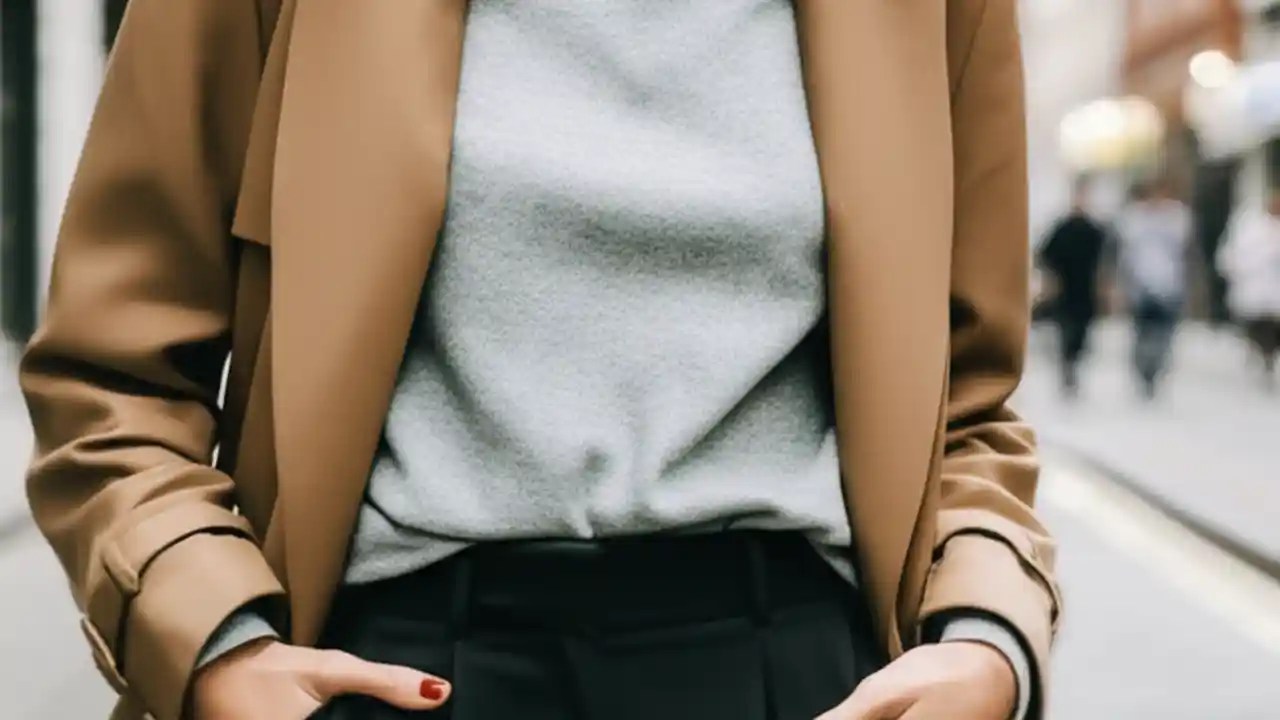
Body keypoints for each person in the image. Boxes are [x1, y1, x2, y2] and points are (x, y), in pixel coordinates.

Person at [20, 2, 1061, 719]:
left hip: (796, 672)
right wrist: (219, 644)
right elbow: (114, 377)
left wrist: (987, 637)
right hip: (398, 660)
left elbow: (966, 409)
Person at [1115, 179, 1193, 399]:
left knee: (1163, 336)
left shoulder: (1178, 218)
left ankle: (1156, 373)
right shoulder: (1133, 219)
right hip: (1140, 287)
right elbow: (1122, 255)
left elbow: (1188, 254)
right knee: (1142, 335)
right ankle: (1143, 372)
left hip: (1170, 286)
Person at [1037, 180, 1107, 398]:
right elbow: (1045, 256)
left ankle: (1073, 366)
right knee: (1066, 331)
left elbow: (1105, 262)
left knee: (1082, 333)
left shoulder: (1095, 230)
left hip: (1086, 289)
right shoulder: (1062, 228)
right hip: (1064, 289)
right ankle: (1067, 369)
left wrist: (1105, 287)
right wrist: (1050, 282)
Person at [1218, 189, 1280, 388]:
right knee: (1261, 329)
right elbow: (1232, 256)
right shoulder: (1250, 227)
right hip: (1255, 291)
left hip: (1273, 294)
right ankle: (1263, 356)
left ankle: (1268, 357)